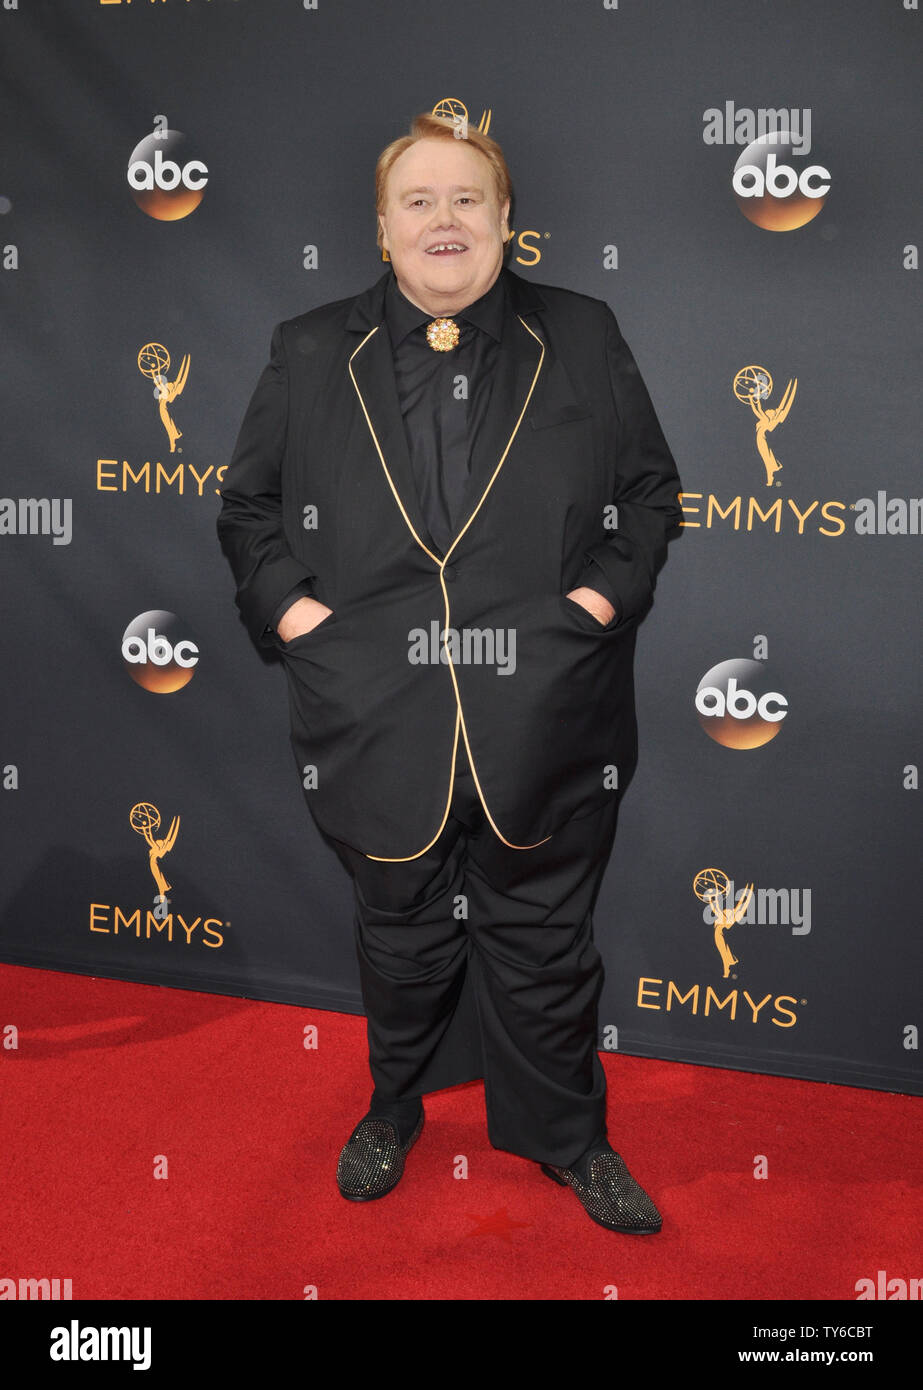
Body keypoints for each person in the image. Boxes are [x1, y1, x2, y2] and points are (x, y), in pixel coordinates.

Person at [217, 112, 682, 1234]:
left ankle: (568, 1138)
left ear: (506, 221)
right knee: (401, 932)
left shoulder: (579, 331)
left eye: (466, 198)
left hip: (546, 710)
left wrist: (588, 612)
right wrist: (302, 621)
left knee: (546, 939)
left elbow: (651, 496)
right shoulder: (307, 345)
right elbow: (248, 508)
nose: (443, 219)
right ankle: (395, 1104)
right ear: (381, 229)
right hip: (371, 714)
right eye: (417, 201)